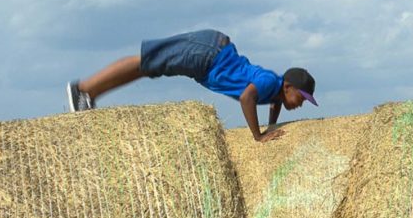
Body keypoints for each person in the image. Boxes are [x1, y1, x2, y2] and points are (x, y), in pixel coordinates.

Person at [66, 29, 316, 143]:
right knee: (147, 63)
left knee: (148, 67)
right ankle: (84, 89)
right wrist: (258, 136)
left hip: (210, 53)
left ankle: (90, 93)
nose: (301, 103)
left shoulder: (275, 90)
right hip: (209, 54)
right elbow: (246, 98)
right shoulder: (269, 81)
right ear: (288, 86)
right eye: (301, 97)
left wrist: (272, 125)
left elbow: (274, 103)